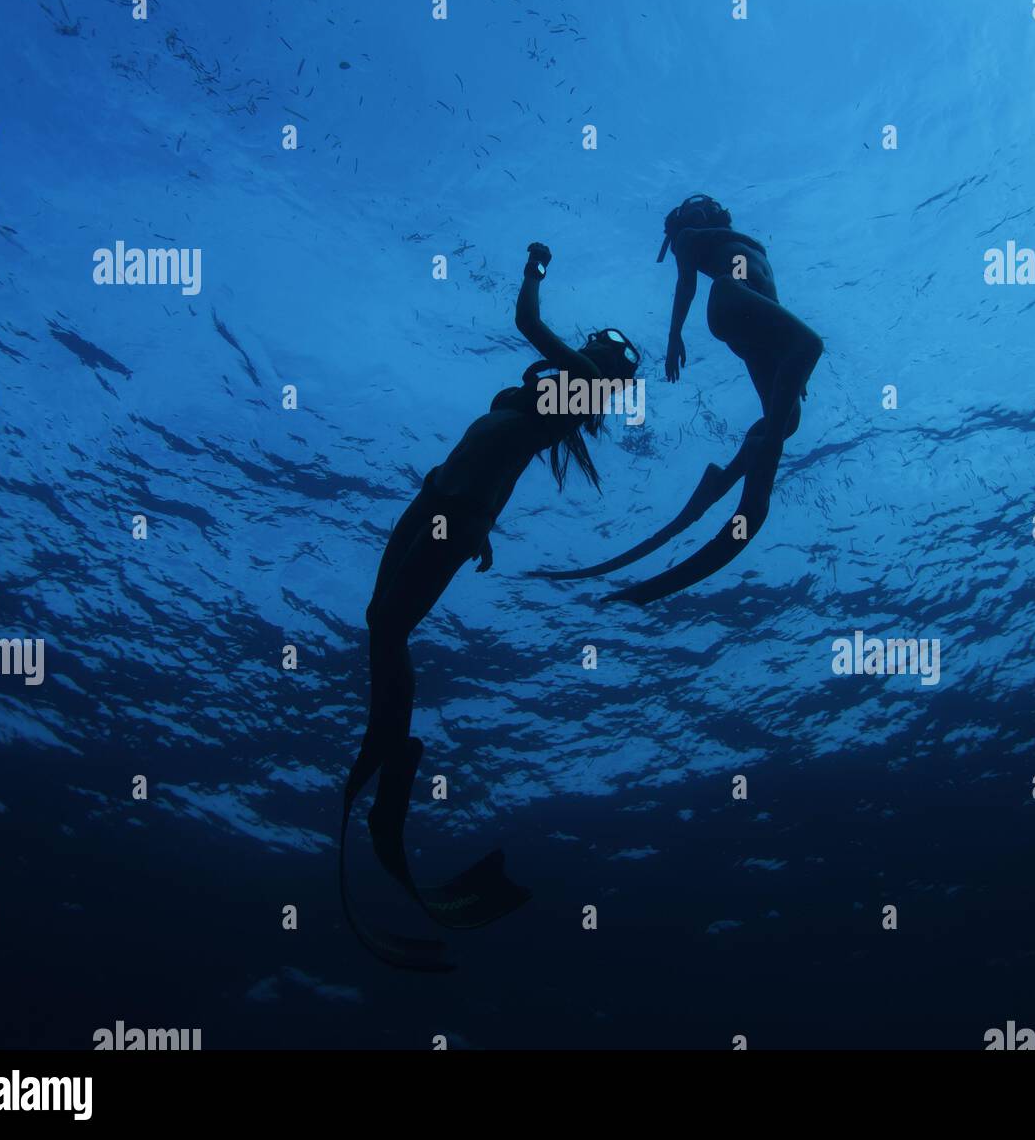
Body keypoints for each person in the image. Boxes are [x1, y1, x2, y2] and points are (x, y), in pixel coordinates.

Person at [341, 241, 640, 970]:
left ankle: (396, 769)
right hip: (440, 494)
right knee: (379, 619)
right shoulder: (557, 394)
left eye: (606, 348)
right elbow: (506, 449)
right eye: (600, 341)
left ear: (608, 368)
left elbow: (527, 325)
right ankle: (390, 755)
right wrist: (480, 527)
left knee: (389, 626)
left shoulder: (577, 380)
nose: (596, 346)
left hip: (456, 506)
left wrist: (535, 271)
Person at [534, 195, 822, 605]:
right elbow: (687, 283)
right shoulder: (689, 239)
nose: (698, 213)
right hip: (731, 299)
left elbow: (772, 299)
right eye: (691, 211)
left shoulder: (728, 238)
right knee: (810, 344)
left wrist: (789, 362)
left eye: (704, 209)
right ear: (680, 222)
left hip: (758, 327)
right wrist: (673, 337)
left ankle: (726, 477)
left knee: (787, 416)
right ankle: (759, 482)